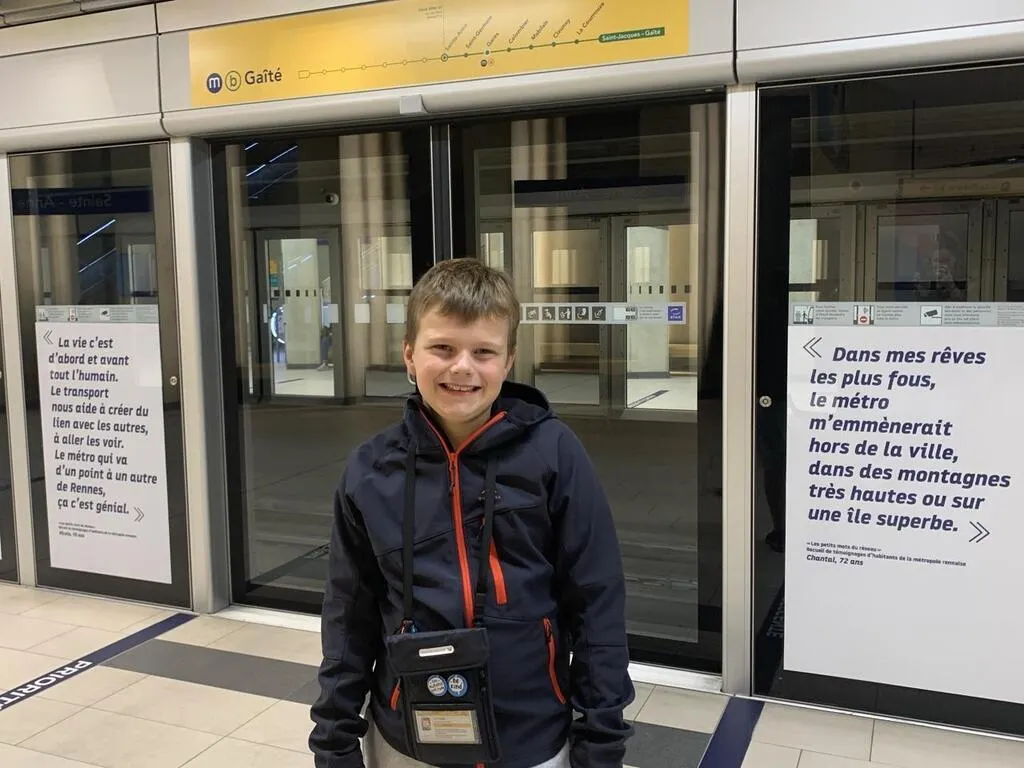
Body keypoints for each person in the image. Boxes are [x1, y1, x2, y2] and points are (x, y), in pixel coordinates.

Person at [309, 258, 635, 768]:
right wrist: (334, 740)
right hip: (406, 738)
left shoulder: (554, 453)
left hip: (530, 737)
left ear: (508, 363)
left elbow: (596, 601)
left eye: (484, 352)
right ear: (410, 355)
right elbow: (350, 616)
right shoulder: (370, 470)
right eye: (443, 348)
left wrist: (600, 737)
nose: (463, 367)